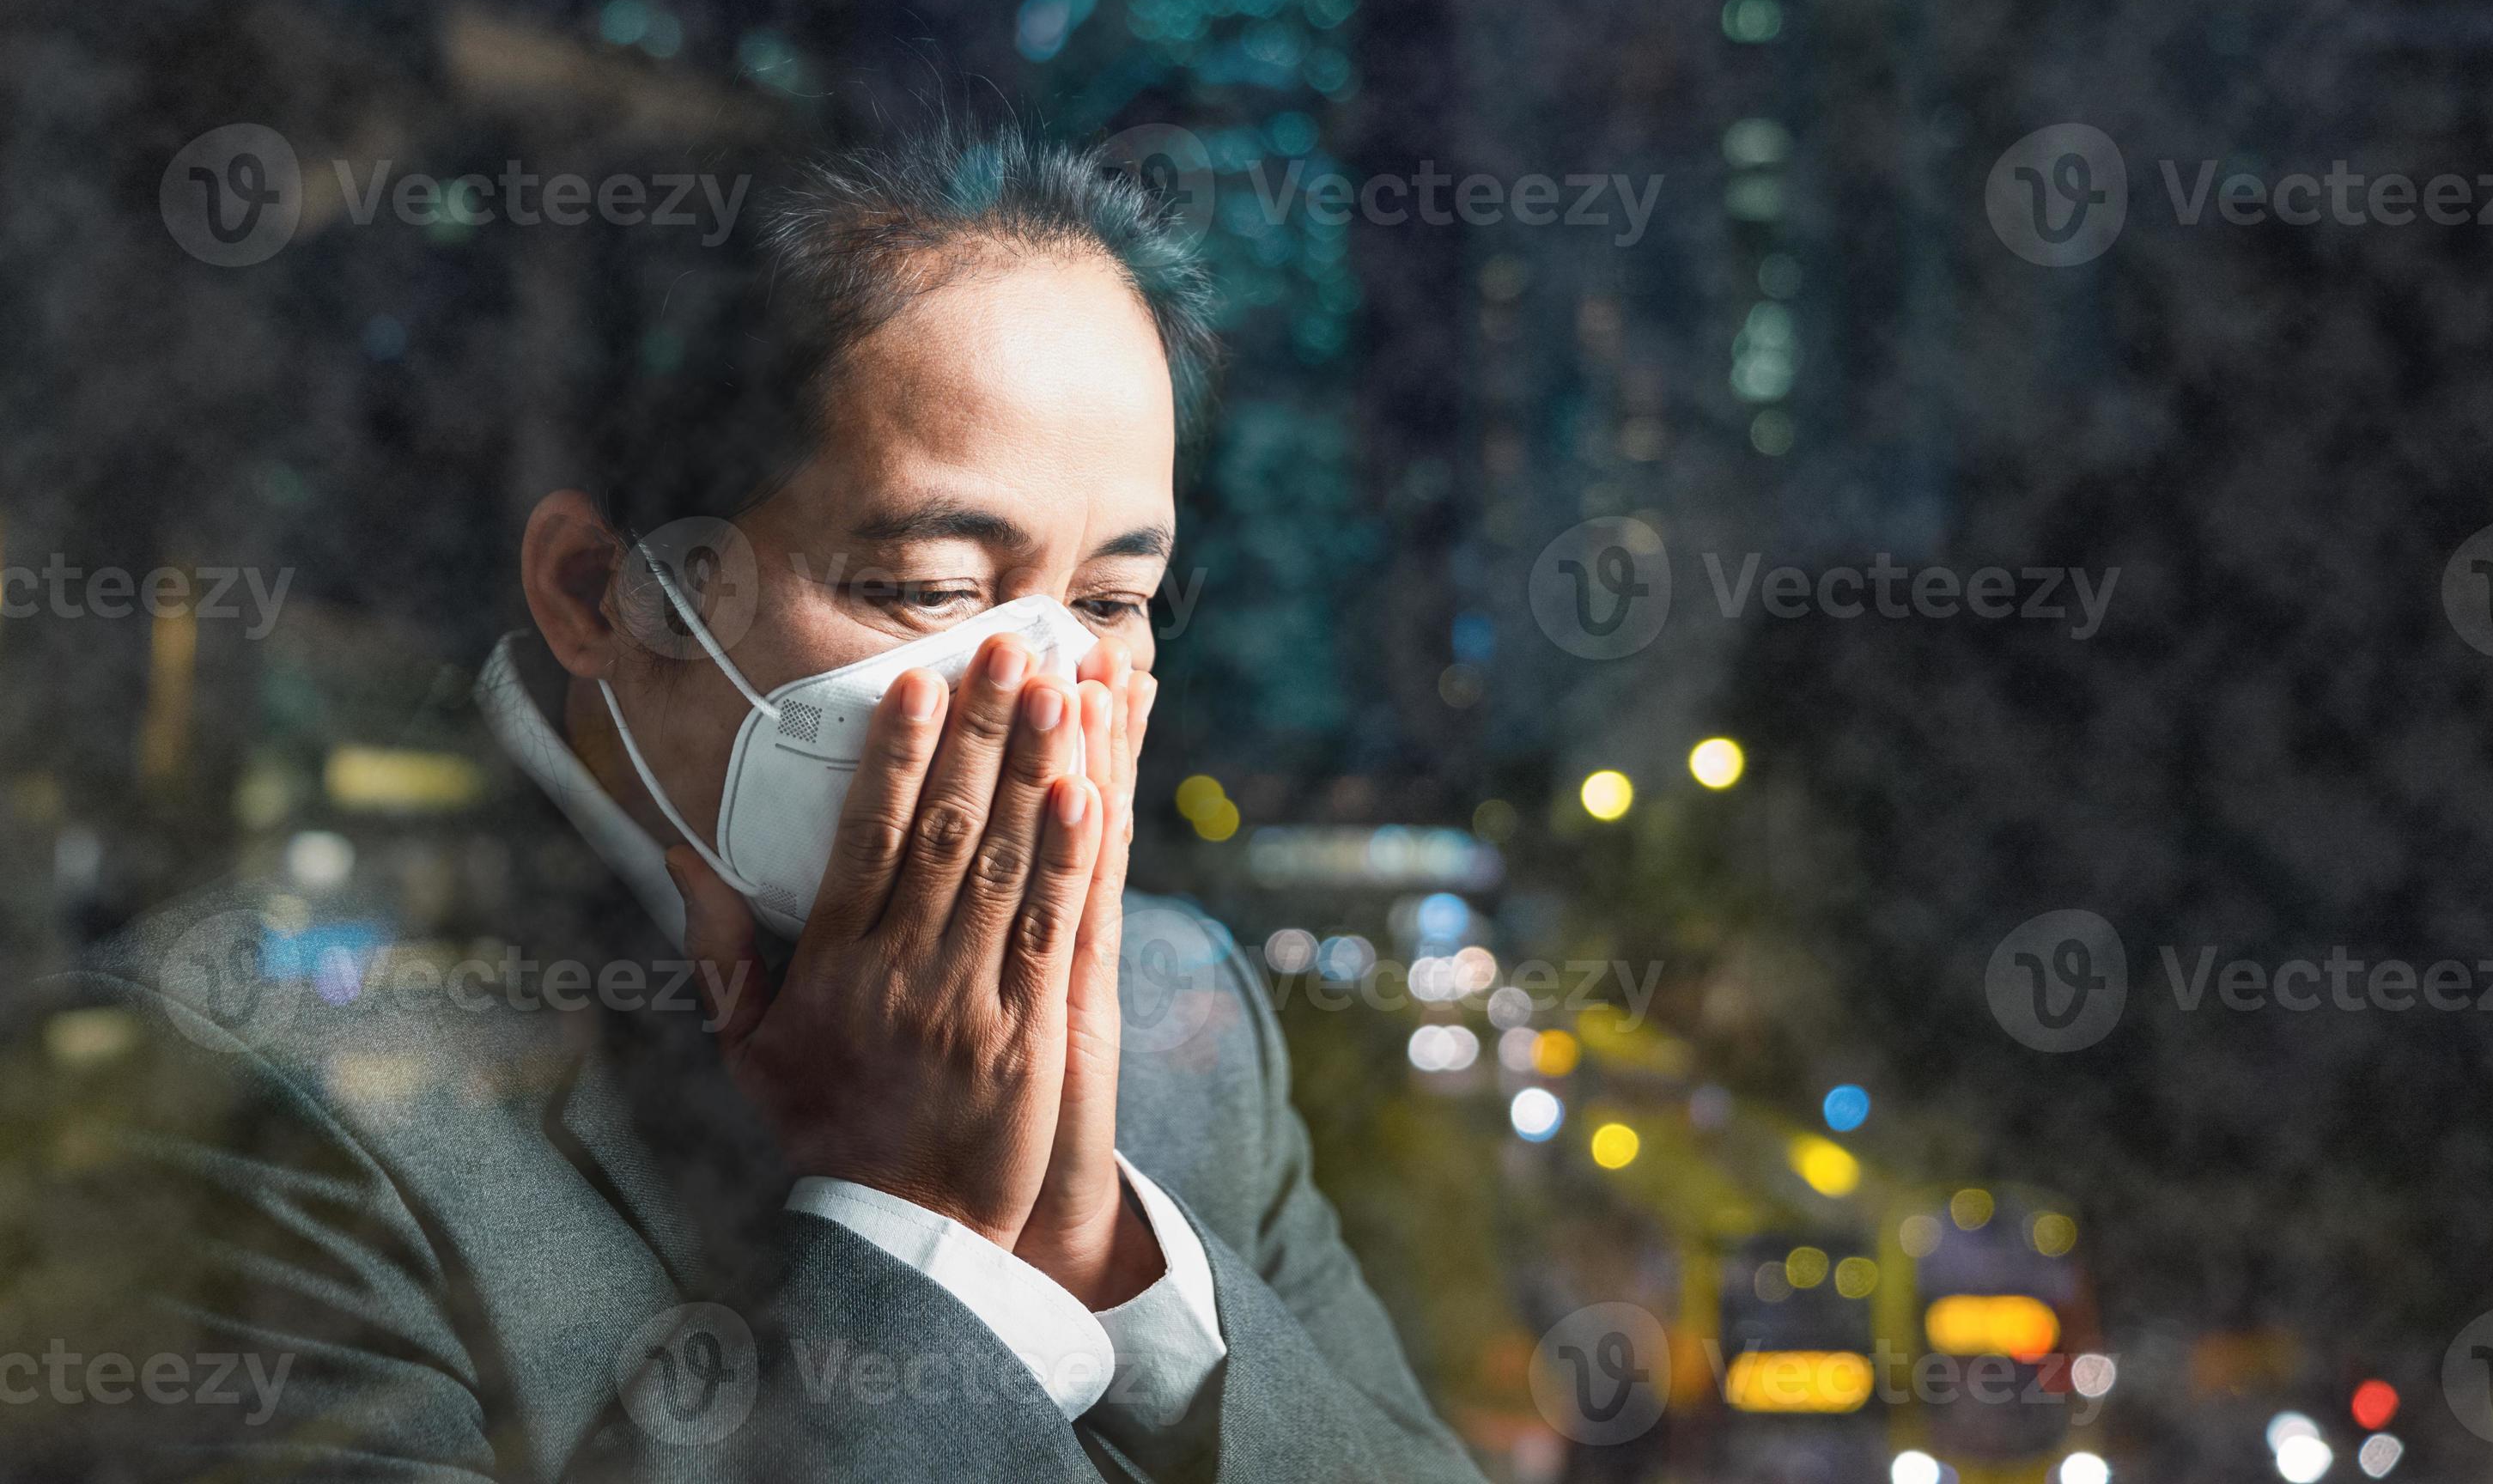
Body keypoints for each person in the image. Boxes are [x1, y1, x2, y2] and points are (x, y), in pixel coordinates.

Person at [10, 124, 1483, 1481]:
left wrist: (1099, 1261)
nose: (1039, 688)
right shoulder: (239, 1086)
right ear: (601, 593)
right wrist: (924, 1239)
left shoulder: (1181, 1025)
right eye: (928, 588)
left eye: (1111, 599)